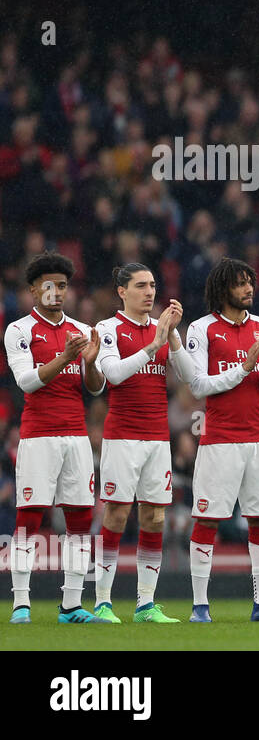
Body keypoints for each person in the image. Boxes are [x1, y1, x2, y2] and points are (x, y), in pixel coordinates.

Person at [183, 257, 259, 622]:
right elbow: (199, 385)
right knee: (208, 519)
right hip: (219, 439)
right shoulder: (201, 329)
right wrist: (243, 367)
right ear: (222, 289)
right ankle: (200, 606)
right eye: (240, 283)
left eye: (250, 282)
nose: (248, 289)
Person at [4, 251, 108, 623]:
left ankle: (71, 605)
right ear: (33, 290)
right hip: (37, 437)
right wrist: (65, 358)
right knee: (29, 519)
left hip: (77, 437)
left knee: (80, 519)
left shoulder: (81, 331)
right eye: (49, 285)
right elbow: (26, 381)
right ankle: (20, 603)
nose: (57, 292)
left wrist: (91, 362)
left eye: (62, 285)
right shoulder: (19, 330)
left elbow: (94, 389)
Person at [91, 263, 193, 623]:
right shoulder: (108, 328)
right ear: (122, 291)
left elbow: (188, 377)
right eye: (140, 286)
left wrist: (173, 337)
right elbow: (113, 374)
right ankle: (102, 601)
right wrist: (153, 346)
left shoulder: (161, 331)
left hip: (157, 438)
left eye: (152, 285)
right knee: (117, 513)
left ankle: (145, 604)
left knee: (154, 516)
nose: (150, 292)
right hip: (122, 436)